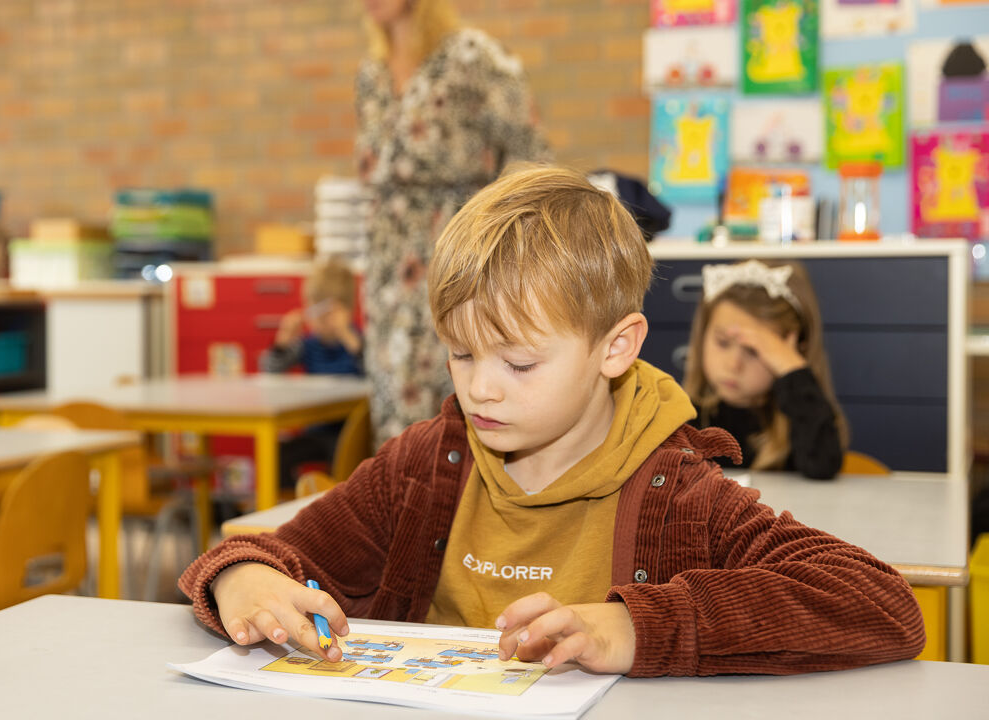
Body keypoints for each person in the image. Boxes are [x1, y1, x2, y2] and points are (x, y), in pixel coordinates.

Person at [178, 167, 923, 677]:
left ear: (616, 348)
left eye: (519, 363)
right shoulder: (425, 464)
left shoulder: (679, 493)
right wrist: (242, 579)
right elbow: (271, 555)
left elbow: (878, 602)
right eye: (461, 354)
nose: (480, 389)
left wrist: (636, 627)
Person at [355, 0, 550, 446]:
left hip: (460, 252)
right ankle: (405, 492)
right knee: (395, 409)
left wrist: (500, 245)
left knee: (468, 394)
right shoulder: (370, 73)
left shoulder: (471, 56)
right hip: (387, 270)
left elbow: (530, 154)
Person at [683, 259, 848, 480]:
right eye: (722, 342)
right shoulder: (686, 416)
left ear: (794, 350)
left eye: (754, 351)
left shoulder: (798, 416)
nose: (733, 365)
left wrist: (792, 370)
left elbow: (822, 466)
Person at [259, 258, 364, 487]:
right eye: (313, 310)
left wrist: (347, 335)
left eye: (326, 313)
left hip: (350, 433)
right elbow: (269, 370)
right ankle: (293, 501)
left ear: (346, 311)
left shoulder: (357, 342)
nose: (318, 321)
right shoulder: (307, 345)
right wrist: (282, 343)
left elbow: (372, 372)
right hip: (317, 432)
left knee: (343, 459)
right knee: (276, 456)